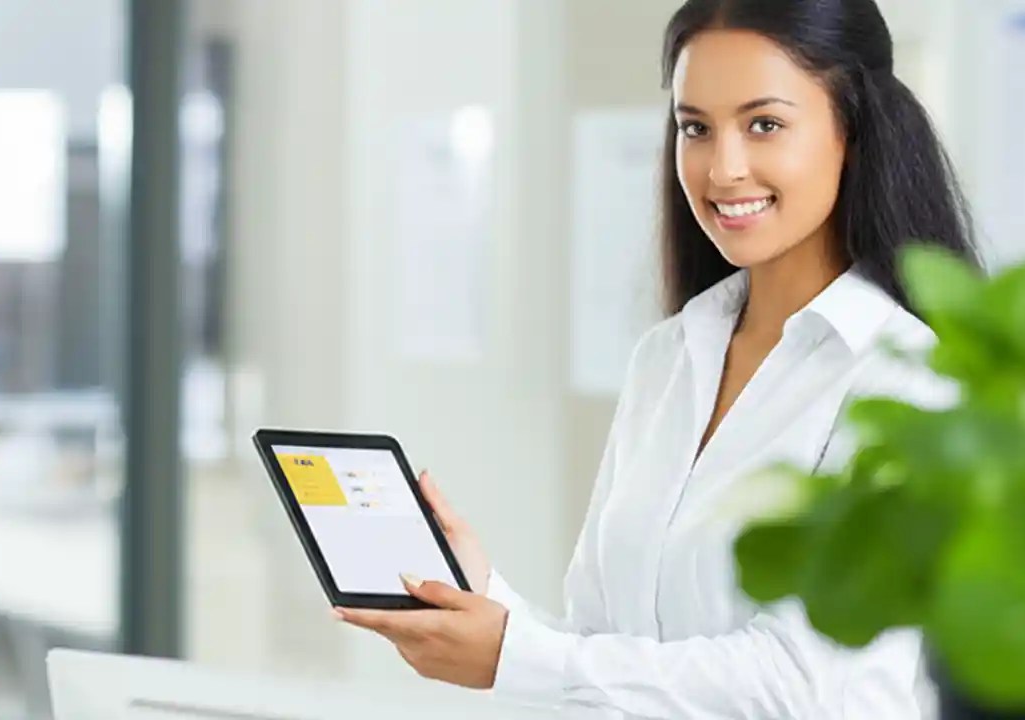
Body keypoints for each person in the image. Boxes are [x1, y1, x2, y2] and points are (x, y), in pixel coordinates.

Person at [336, 0, 981, 717]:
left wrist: (513, 655)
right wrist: (487, 605)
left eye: (764, 124)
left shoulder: (909, 377)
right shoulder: (668, 357)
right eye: (694, 128)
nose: (723, 167)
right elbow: (603, 649)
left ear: (853, 132)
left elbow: (805, 684)